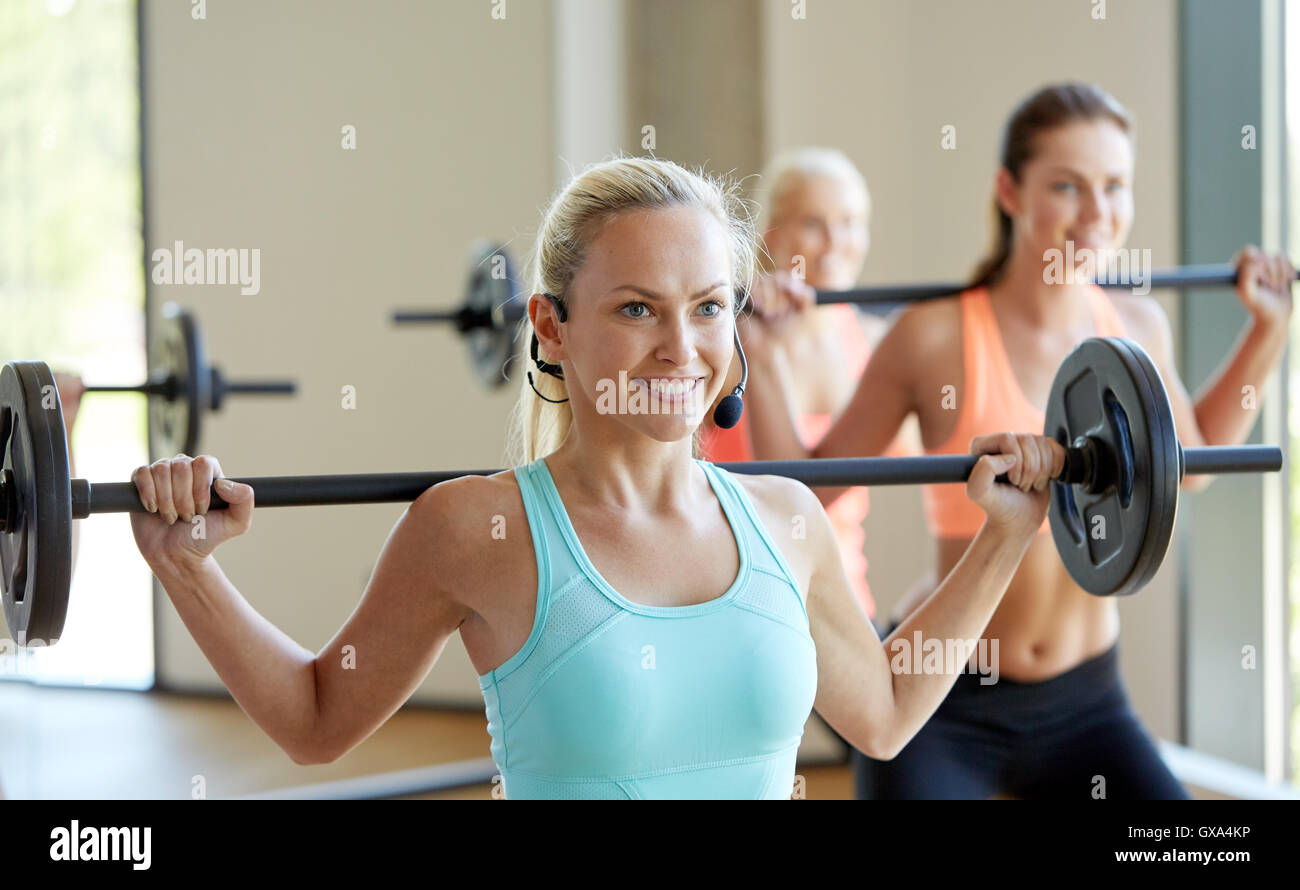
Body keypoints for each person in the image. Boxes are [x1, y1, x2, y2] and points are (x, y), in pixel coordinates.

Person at [128, 156, 1065, 800]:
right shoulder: (474, 529)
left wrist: (1005, 535)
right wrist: (188, 567)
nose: (680, 348)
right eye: (635, 308)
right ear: (551, 324)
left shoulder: (785, 519)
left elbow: (889, 716)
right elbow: (316, 721)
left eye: (706, 308)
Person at [740, 83, 1294, 800]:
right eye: (1068, 185)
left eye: (1115, 186)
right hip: (941, 697)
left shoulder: (1137, 327)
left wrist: (1268, 331)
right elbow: (813, 489)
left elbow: (1187, 464)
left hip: (1086, 702)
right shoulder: (932, 334)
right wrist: (760, 349)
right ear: (1009, 190)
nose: (1098, 214)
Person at [700, 147, 906, 621]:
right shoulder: (726, 337)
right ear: (771, 235)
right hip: (739, 604)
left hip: (844, 606)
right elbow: (790, 491)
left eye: (852, 222)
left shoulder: (876, 344)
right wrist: (748, 323)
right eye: (814, 223)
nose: (837, 242)